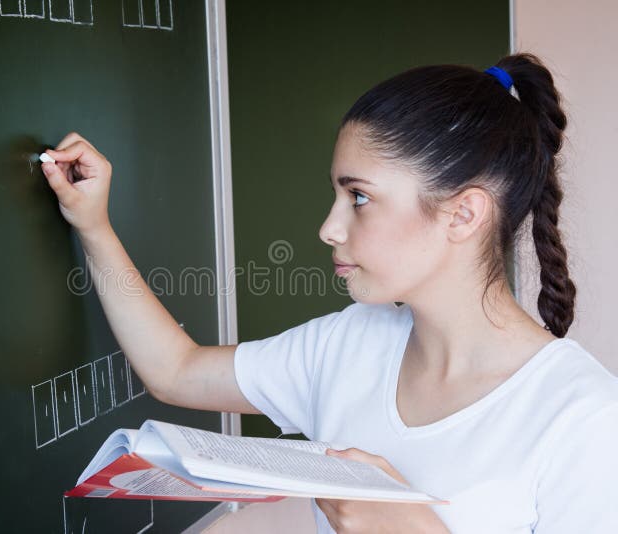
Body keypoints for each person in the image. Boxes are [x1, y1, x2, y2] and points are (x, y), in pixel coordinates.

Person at [40, 52, 618, 533]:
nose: (328, 228)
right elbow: (176, 369)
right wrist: (94, 226)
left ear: (462, 214)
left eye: (359, 197)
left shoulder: (583, 417)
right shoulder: (348, 344)